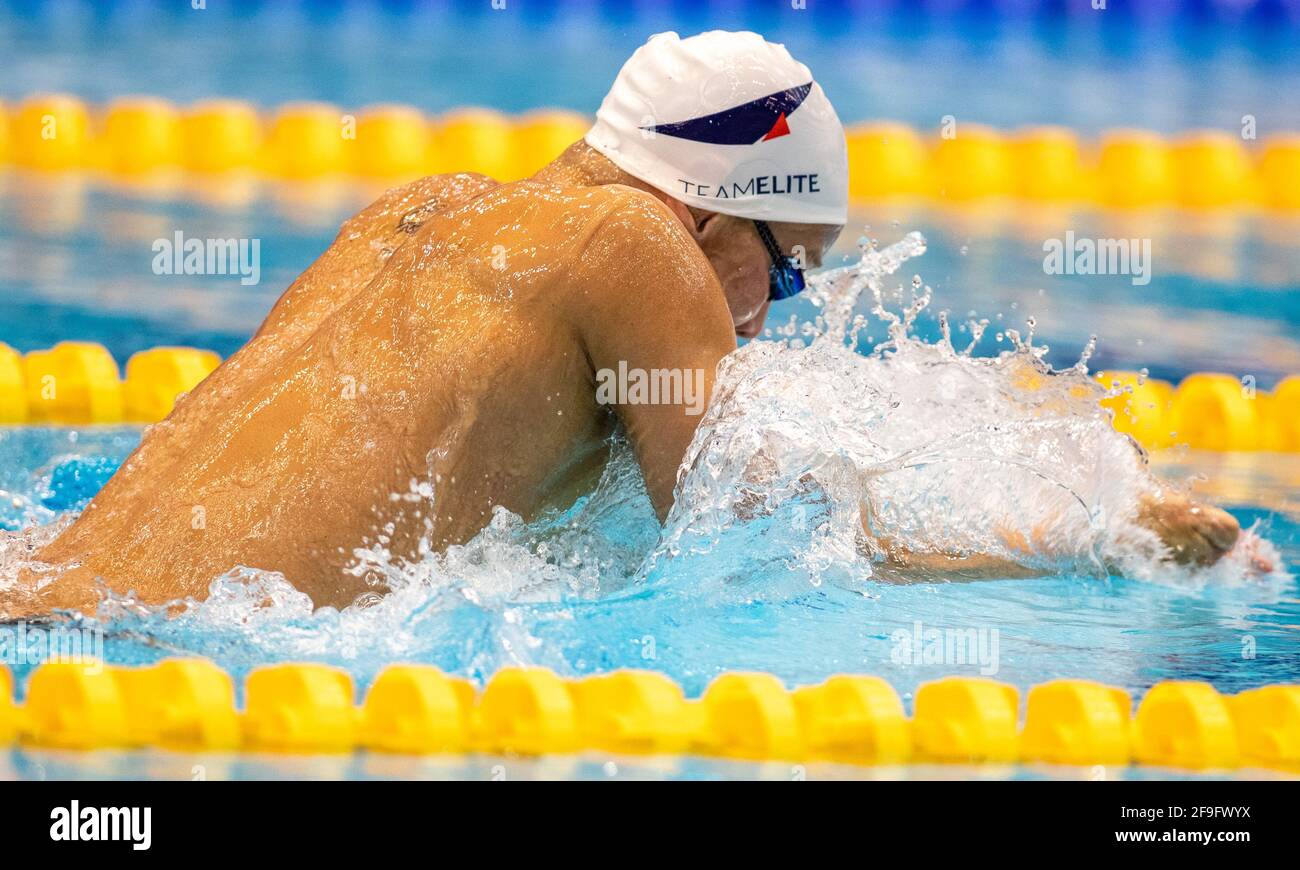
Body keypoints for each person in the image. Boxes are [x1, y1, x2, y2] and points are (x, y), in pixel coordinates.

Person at [0, 31, 1246, 619]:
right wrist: (1091, 541)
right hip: (178, 665)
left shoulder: (419, 211)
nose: (772, 318)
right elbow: (773, 551)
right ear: (717, 217)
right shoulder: (632, 247)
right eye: (791, 274)